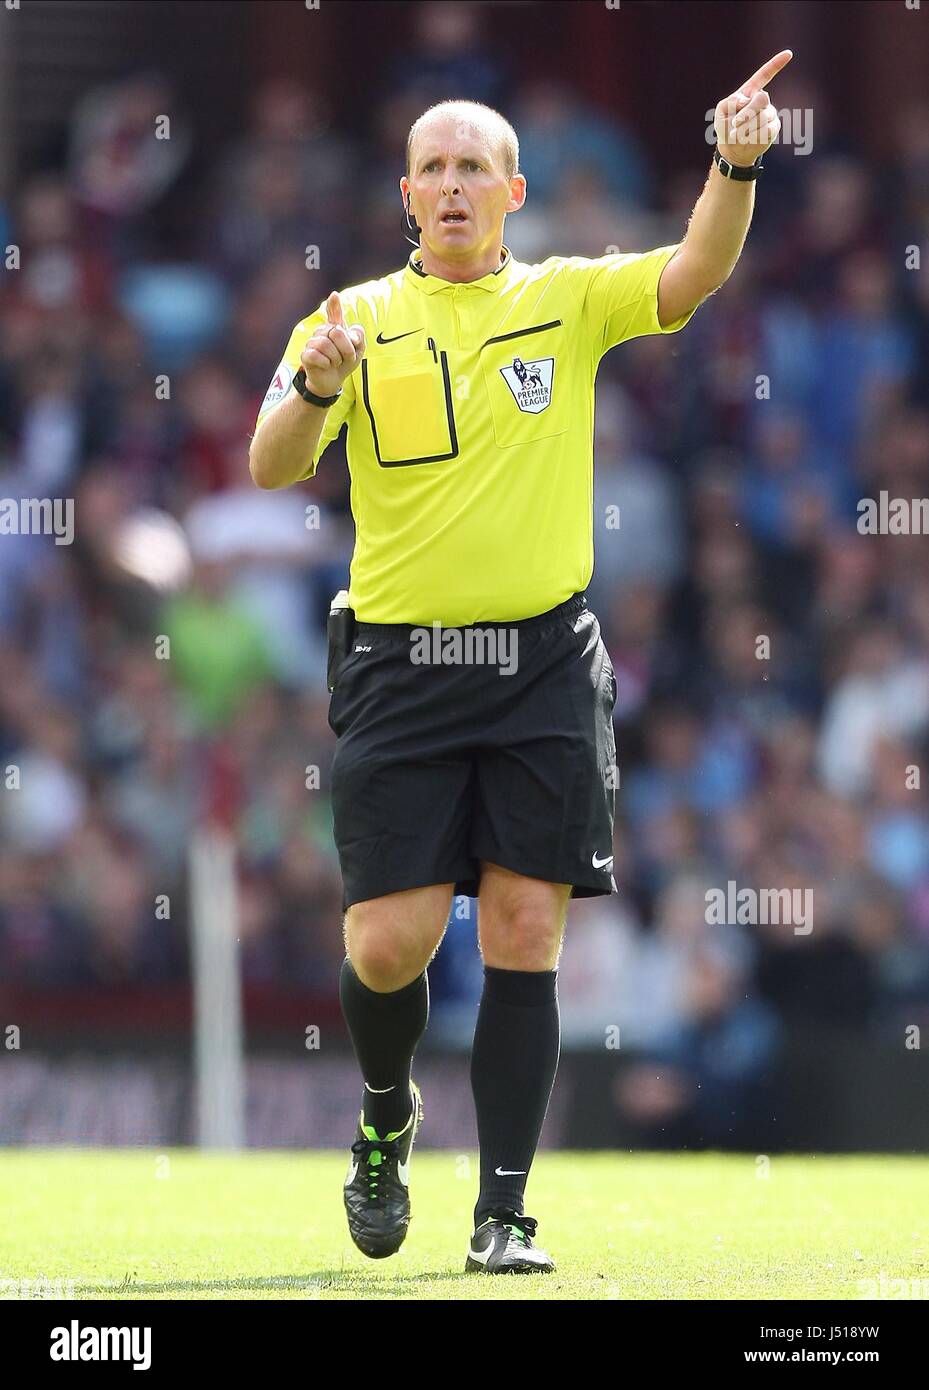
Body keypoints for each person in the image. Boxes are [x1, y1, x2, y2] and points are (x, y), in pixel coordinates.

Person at [249, 55, 791, 1274]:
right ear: (403, 193)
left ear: (513, 191)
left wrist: (734, 161)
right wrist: (307, 387)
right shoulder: (350, 319)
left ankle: (503, 1211)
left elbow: (693, 271)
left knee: (522, 924)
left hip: (543, 661)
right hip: (399, 665)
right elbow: (270, 465)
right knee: (386, 944)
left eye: (471, 169)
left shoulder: (568, 296)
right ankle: (385, 1113)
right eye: (430, 169)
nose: (449, 187)